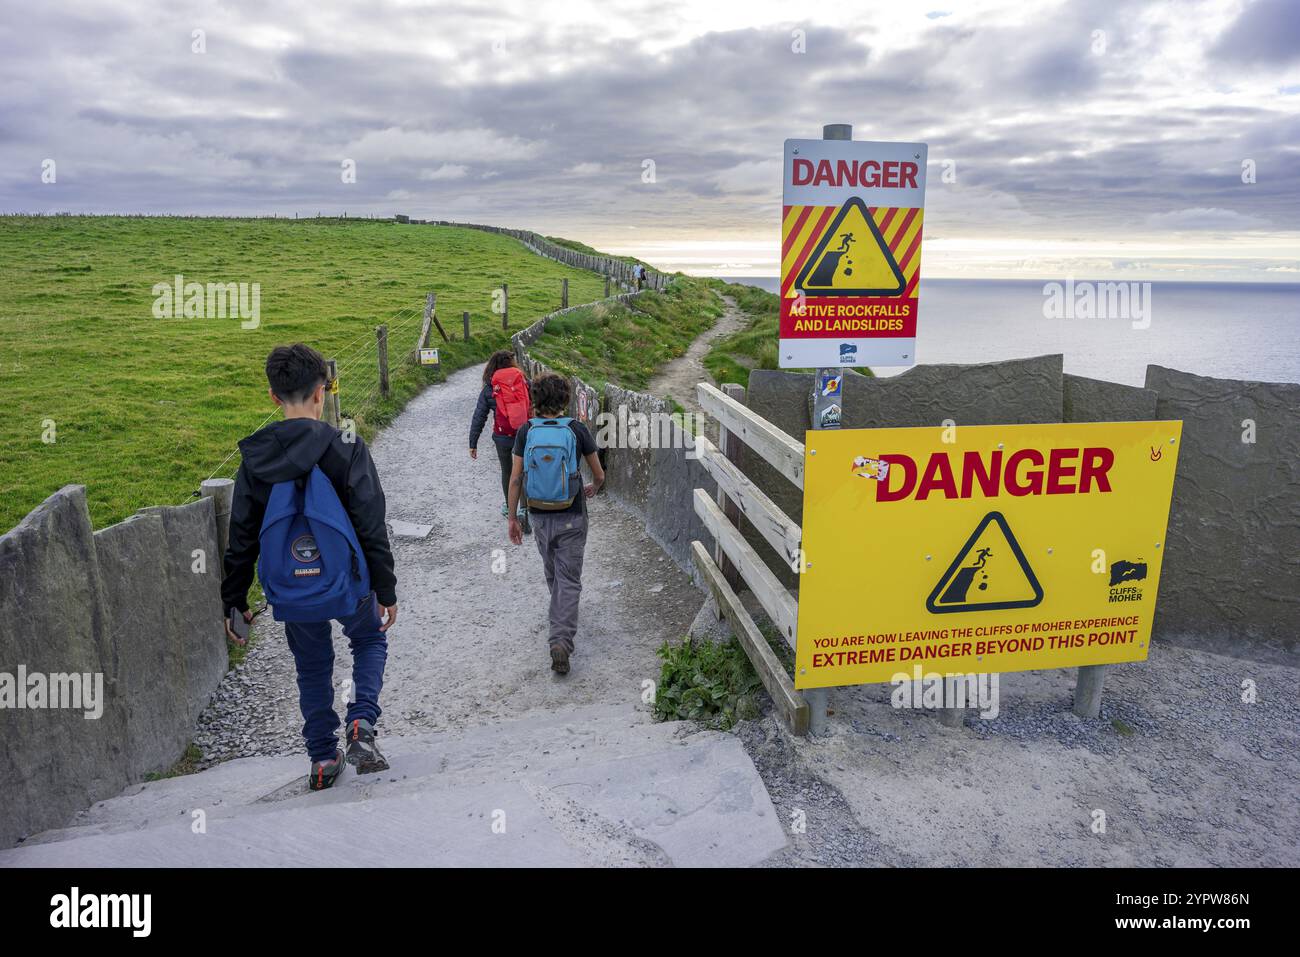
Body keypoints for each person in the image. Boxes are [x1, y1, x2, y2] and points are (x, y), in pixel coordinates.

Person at [221, 343, 398, 791]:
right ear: (322, 392)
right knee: (368, 639)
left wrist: (234, 598)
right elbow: (371, 523)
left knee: (313, 667)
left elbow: (241, 535)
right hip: (349, 583)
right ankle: (360, 725)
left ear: (273, 397)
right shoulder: (347, 447)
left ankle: (322, 758)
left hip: (293, 589)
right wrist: (386, 589)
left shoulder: (256, 459)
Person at [506, 373, 604, 675]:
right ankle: (561, 639)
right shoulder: (576, 429)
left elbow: (515, 479)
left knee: (553, 571)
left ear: (535, 399)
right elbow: (598, 473)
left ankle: (560, 617)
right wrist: (595, 487)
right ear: (565, 399)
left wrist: (513, 517)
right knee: (569, 578)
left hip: (539, 513)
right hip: (572, 513)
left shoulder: (525, 431)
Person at [470, 350, 531, 527]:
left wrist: (473, 443)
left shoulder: (490, 388)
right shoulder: (524, 382)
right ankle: (525, 509)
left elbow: (479, 416)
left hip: (502, 436)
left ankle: (509, 507)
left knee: (507, 471)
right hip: (525, 433)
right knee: (524, 470)